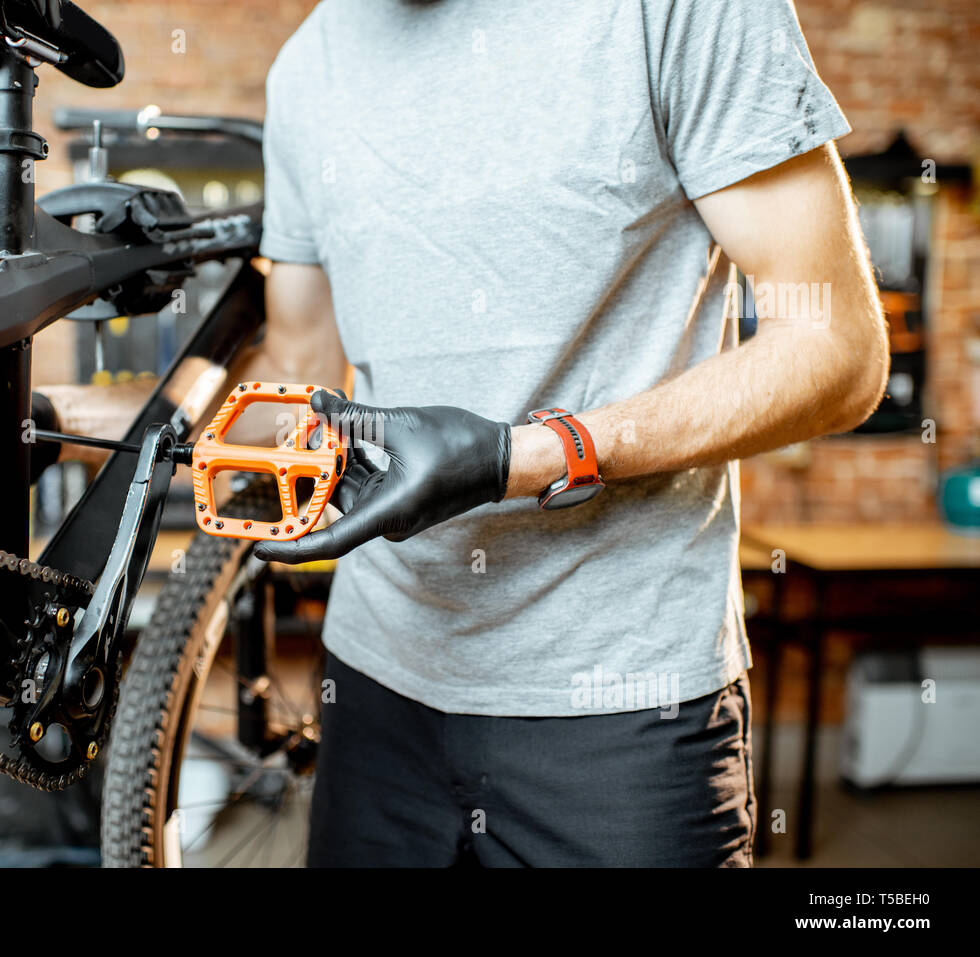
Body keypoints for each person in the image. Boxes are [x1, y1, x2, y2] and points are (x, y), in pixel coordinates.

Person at [241, 0, 889, 866]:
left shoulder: (679, 11)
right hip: (372, 687)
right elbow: (302, 362)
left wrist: (527, 458)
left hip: (622, 711)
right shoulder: (306, 68)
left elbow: (839, 349)